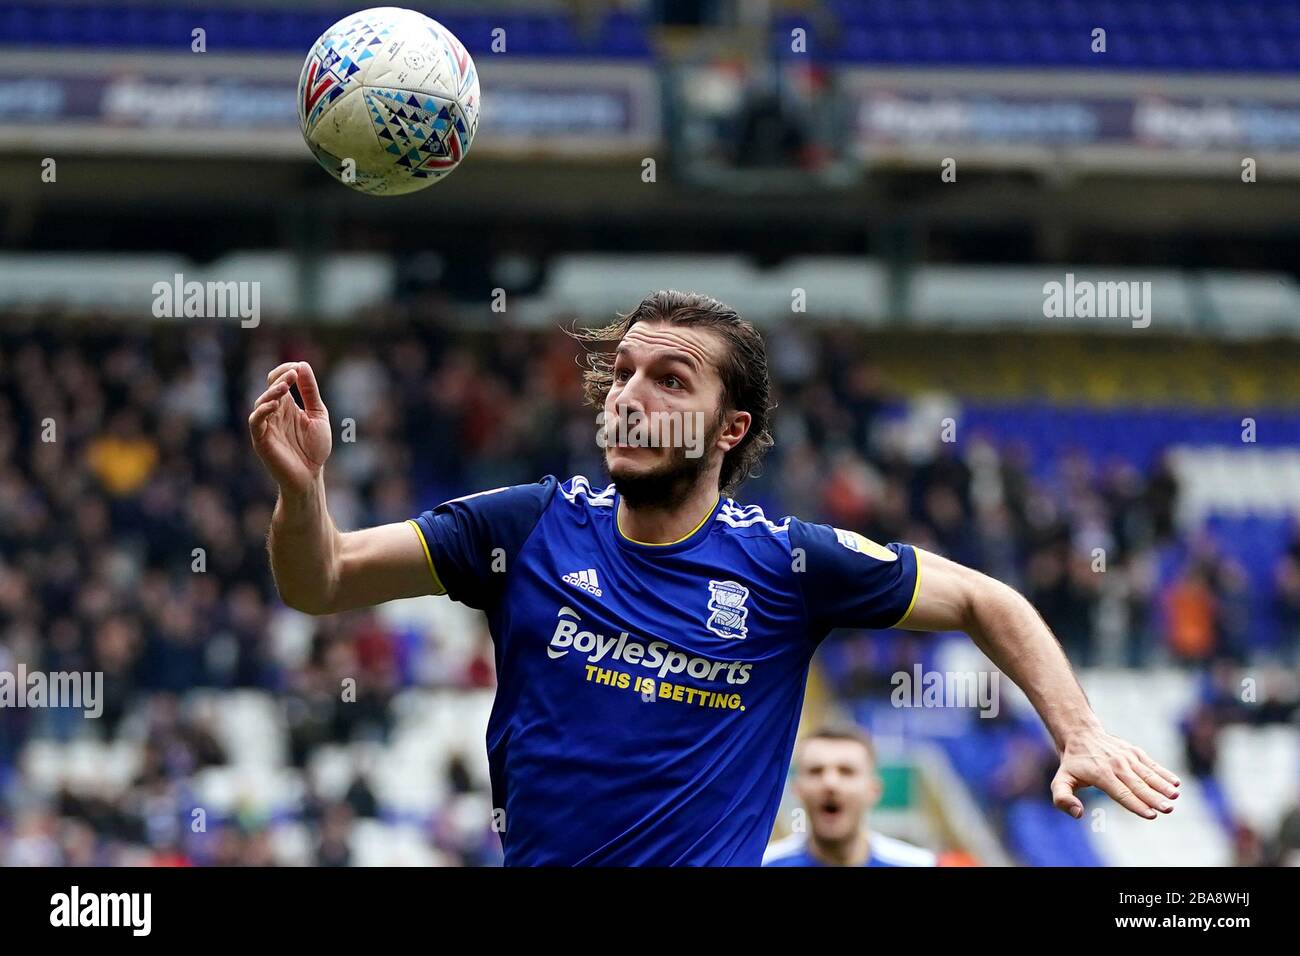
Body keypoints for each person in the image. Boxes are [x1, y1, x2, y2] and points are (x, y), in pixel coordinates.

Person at [248, 290, 1180, 866]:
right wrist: (303, 491)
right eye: (623, 372)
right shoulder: (527, 527)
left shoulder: (785, 563)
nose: (630, 394)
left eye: (670, 380)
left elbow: (986, 597)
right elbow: (321, 581)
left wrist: (1082, 732)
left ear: (728, 429)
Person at [763, 726, 936, 867]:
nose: (830, 783)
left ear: (873, 790)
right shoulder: (764, 863)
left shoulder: (919, 864)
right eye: (816, 771)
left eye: (846, 771)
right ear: (797, 789)